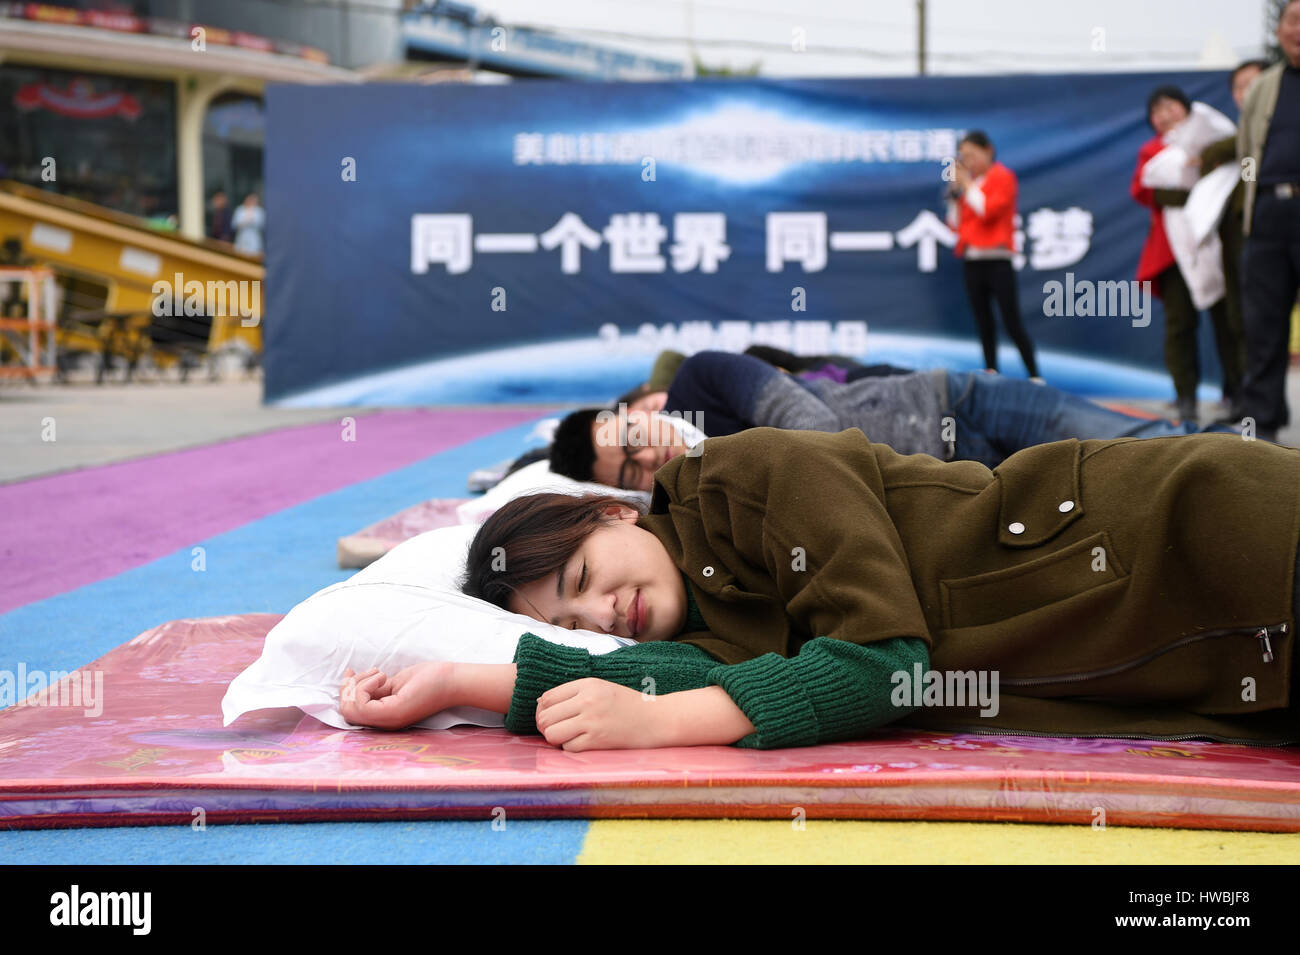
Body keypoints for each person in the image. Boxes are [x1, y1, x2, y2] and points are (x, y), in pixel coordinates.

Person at [338, 426, 1300, 751]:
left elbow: (883, 665)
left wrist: (661, 724)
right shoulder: (714, 634)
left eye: (585, 577)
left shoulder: (751, 474)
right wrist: (451, 683)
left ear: (617, 513)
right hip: (1205, 664)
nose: (602, 615)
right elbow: (640, 682)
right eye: (574, 619)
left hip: (1196, 534)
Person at [549, 350, 1239, 491]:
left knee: (1137, 442)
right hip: (960, 483)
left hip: (952, 401)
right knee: (1116, 486)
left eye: (633, 440)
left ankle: (1262, 473)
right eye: (631, 471)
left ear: (635, 414)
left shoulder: (700, 379)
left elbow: (802, 416)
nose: (649, 457)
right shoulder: (691, 501)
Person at [1132, 86, 1242, 424]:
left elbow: (1230, 181)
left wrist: (1204, 166)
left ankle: (1237, 395)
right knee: (1180, 326)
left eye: (1170, 107)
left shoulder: (1218, 144)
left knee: (1229, 322)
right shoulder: (1152, 151)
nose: (1164, 115)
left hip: (1216, 247)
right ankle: (1185, 399)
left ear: (1187, 109)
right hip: (1172, 253)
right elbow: (1147, 191)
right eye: (1156, 111)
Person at [1238, 0, 1300, 443]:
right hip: (1268, 216)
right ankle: (1263, 431)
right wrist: (1251, 199)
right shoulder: (1264, 86)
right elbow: (1246, 148)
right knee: (1264, 327)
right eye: (1295, 20)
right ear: (1280, 30)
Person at [945, 131, 1040, 381]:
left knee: (1011, 322)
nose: (969, 162)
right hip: (973, 262)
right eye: (964, 157)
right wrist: (955, 193)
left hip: (998, 261)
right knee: (983, 324)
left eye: (972, 155)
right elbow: (955, 224)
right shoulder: (970, 185)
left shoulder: (1002, 176)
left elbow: (988, 210)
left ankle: (1034, 376)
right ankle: (991, 378)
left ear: (988, 150)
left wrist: (966, 185)